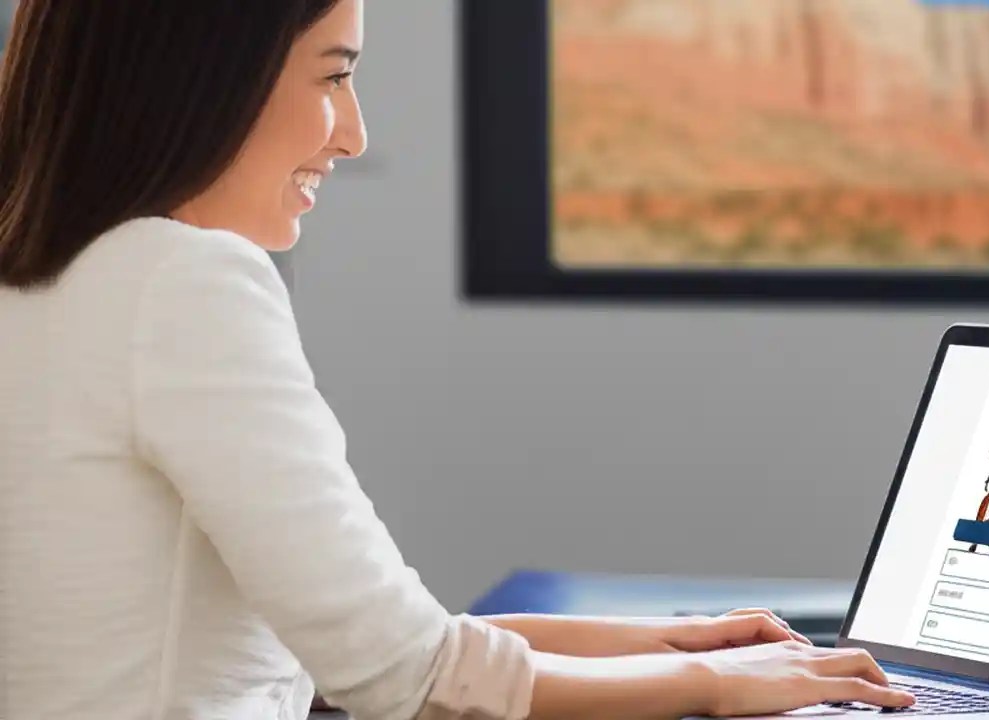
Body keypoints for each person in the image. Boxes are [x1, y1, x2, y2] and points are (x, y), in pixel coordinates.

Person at [0, 2, 914, 718]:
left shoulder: (52, 281)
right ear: (201, 76)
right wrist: (721, 688)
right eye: (334, 75)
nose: (352, 134)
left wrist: (672, 646)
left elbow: (364, 649)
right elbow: (414, 679)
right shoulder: (182, 279)